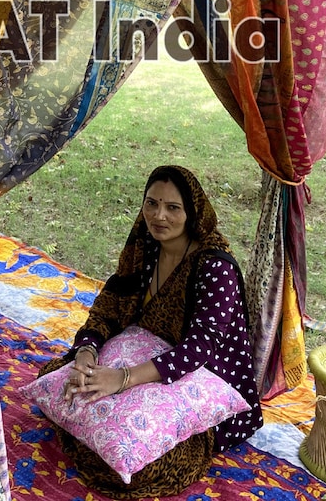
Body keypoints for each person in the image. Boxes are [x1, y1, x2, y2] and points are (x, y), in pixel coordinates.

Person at [39, 165, 262, 497]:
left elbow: (199, 349)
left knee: (144, 471)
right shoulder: (144, 244)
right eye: (151, 204)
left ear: (193, 213)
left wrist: (122, 378)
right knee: (62, 377)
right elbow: (111, 304)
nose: (159, 216)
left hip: (204, 376)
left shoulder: (215, 267)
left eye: (173, 207)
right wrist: (87, 352)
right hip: (142, 352)